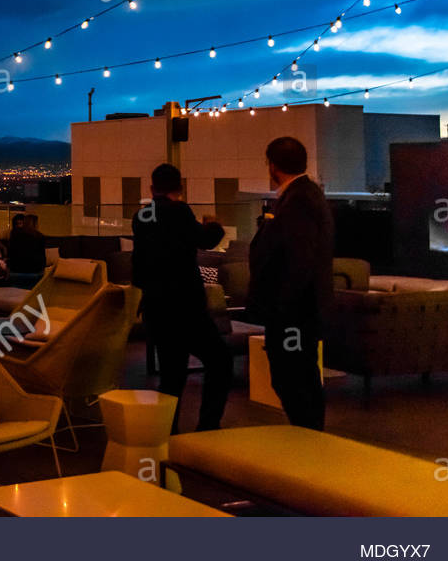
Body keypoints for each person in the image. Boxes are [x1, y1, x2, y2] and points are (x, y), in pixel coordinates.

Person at [131, 163, 232, 432]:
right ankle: (207, 426)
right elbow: (206, 241)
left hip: (156, 307)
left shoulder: (140, 217)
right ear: (181, 187)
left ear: (152, 188)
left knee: (171, 376)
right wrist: (213, 225)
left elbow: (140, 265)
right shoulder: (180, 212)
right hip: (186, 307)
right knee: (220, 362)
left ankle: (168, 436)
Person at [249, 137, 334, 430]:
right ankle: (309, 441)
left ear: (273, 166)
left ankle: (309, 442)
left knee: (293, 380)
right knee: (298, 380)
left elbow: (300, 261)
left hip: (294, 315)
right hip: (299, 313)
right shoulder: (306, 195)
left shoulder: (298, 200)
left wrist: (280, 309)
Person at [7, 211, 45, 278]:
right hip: (33, 272)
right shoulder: (39, 237)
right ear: (35, 224)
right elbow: (42, 257)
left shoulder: (14, 236)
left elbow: (10, 254)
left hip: (15, 271)